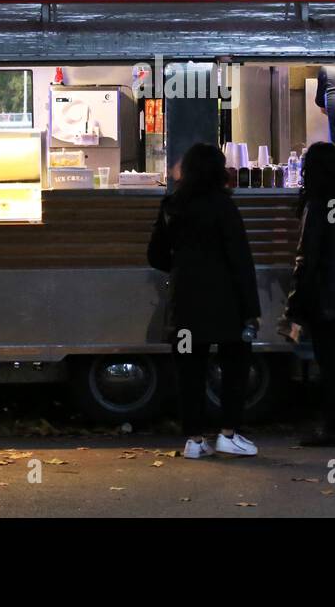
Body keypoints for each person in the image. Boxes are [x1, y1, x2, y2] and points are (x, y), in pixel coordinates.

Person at [148, 143, 260, 459]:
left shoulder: (171, 206)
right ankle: (228, 433)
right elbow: (240, 260)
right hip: (226, 303)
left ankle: (194, 441)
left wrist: (183, 268)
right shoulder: (224, 207)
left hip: (185, 303)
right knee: (234, 367)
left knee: (189, 372)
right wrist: (252, 310)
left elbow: (155, 255)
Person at [283, 142, 335, 447]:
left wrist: (294, 304)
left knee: (328, 361)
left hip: (323, 295)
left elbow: (308, 256)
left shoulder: (319, 205)